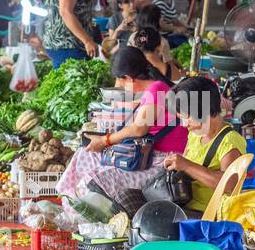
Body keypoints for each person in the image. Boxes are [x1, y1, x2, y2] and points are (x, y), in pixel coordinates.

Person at [58, 47, 188, 201]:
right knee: (85, 153)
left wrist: (105, 140)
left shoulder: (156, 89)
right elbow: (139, 106)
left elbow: (139, 129)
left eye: (120, 81)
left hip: (163, 161)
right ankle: (70, 200)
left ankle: (83, 210)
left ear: (128, 78)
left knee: (94, 181)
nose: (120, 86)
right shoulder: (156, 88)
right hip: (147, 154)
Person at [163, 75, 247, 216]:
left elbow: (230, 184)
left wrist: (186, 165)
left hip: (207, 214)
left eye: (187, 117)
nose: (184, 124)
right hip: (185, 205)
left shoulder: (230, 140)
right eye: (181, 118)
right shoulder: (195, 134)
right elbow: (184, 170)